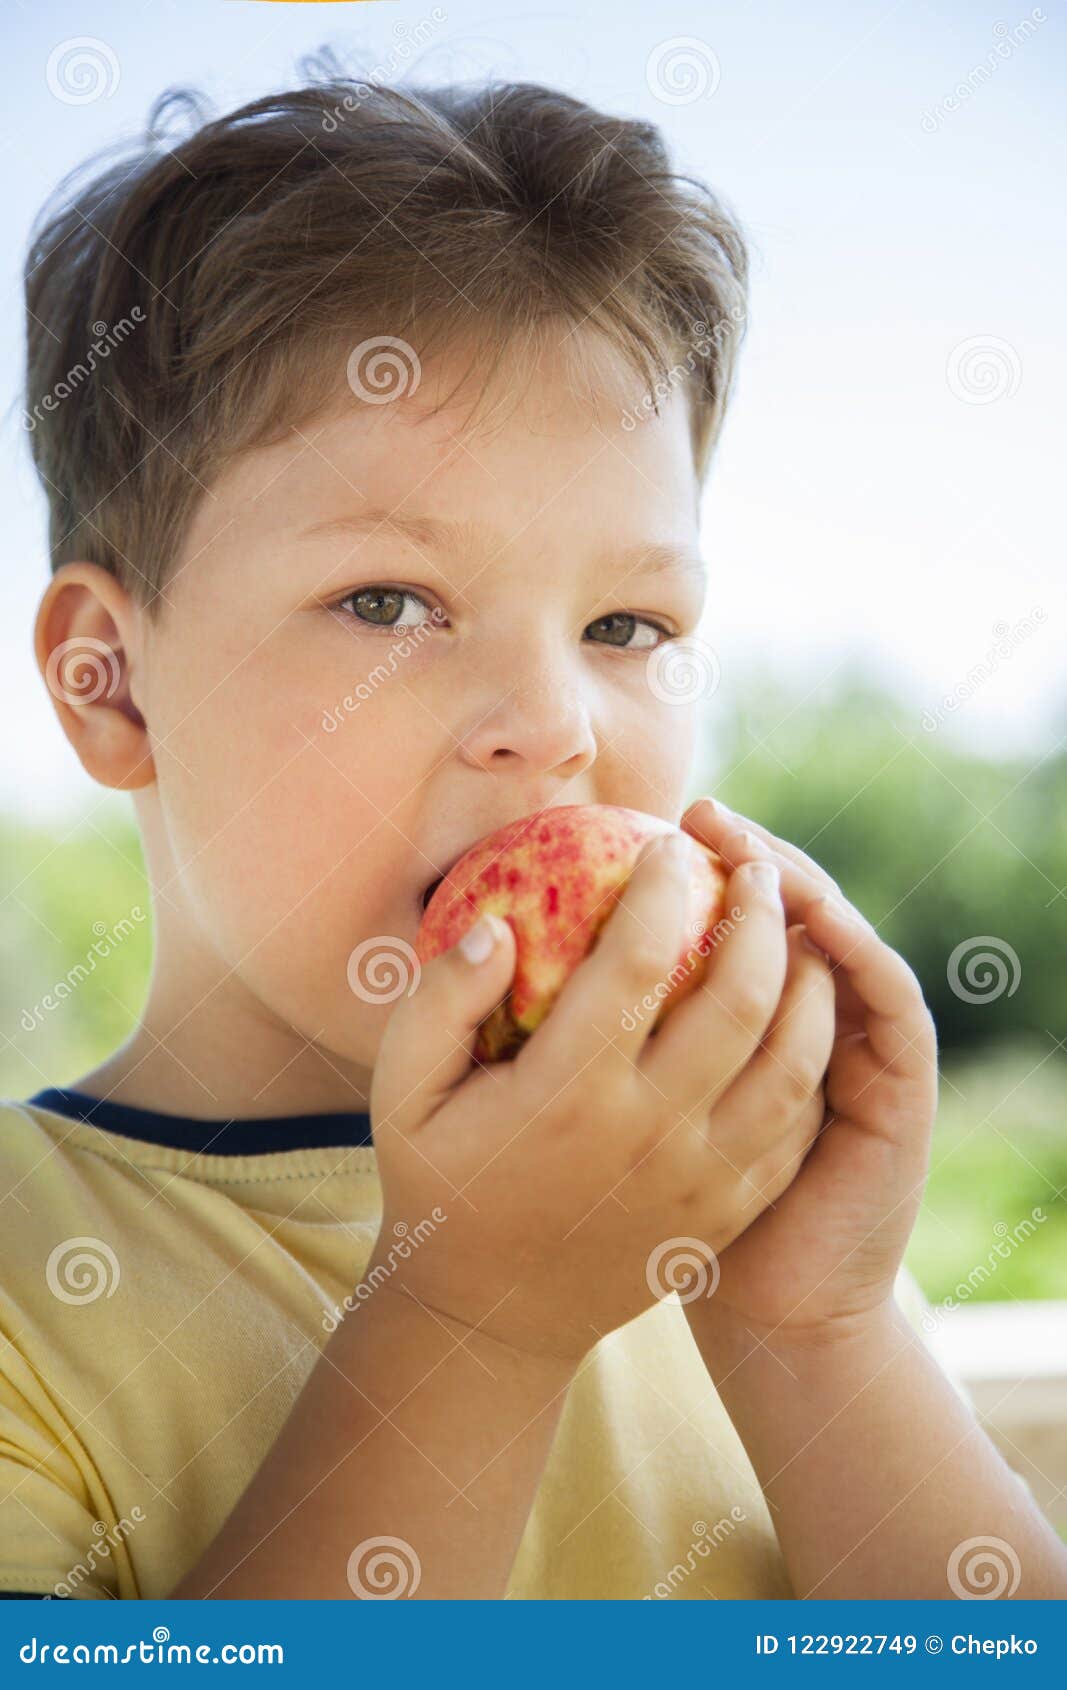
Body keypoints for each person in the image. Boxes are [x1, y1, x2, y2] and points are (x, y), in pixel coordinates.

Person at [5, 67, 1065, 1601]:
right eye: (390, 604)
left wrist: (814, 1330)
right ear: (113, 688)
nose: (553, 719)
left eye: (626, 621)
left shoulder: (706, 1216)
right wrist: (474, 1320)